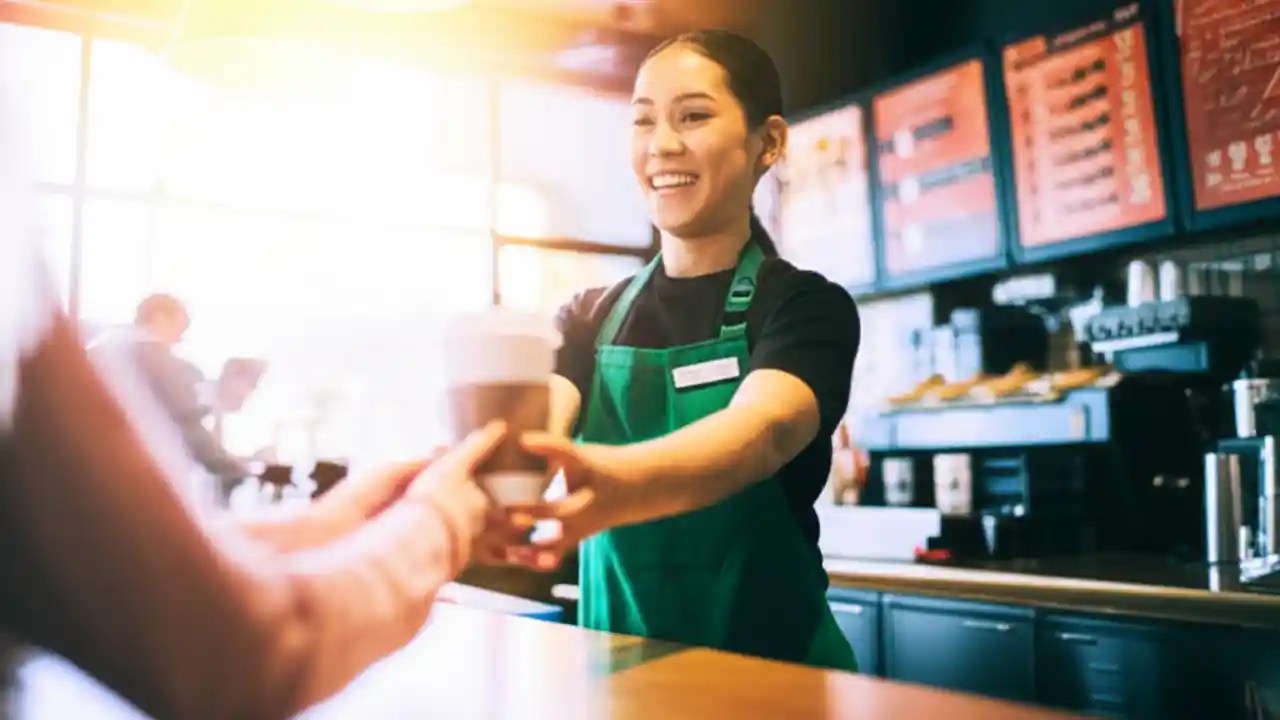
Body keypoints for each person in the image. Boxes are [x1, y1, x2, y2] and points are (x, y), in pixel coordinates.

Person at [0, 64, 511, 720]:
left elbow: (104, 559)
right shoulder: (148, 355)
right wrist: (441, 522)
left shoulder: (109, 349)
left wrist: (324, 526)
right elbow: (230, 656)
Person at [509, 29, 862, 671]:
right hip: (620, 684)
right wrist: (491, 476)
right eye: (643, 121)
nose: (662, 144)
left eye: (693, 116)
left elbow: (764, 431)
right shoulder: (587, 318)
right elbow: (538, 432)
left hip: (777, 685)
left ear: (768, 143)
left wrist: (618, 483)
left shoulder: (805, 307)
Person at [89, 293, 253, 490]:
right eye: (178, 331)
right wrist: (232, 468)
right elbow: (186, 418)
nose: (177, 341)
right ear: (160, 318)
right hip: (138, 474)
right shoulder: (149, 351)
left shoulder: (104, 346)